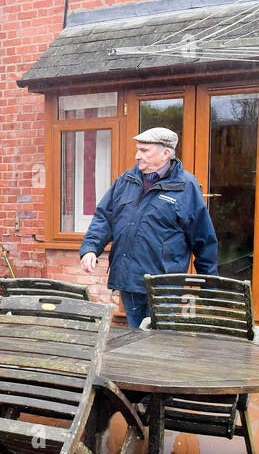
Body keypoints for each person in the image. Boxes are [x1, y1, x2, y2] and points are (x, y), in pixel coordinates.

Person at [78, 127, 219, 327]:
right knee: (136, 339)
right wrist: (91, 248)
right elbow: (105, 216)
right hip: (129, 280)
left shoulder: (186, 186)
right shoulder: (127, 180)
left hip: (164, 286)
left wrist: (210, 285)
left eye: (144, 151)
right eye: (138, 150)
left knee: (160, 343)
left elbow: (203, 237)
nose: (137, 156)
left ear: (165, 154)